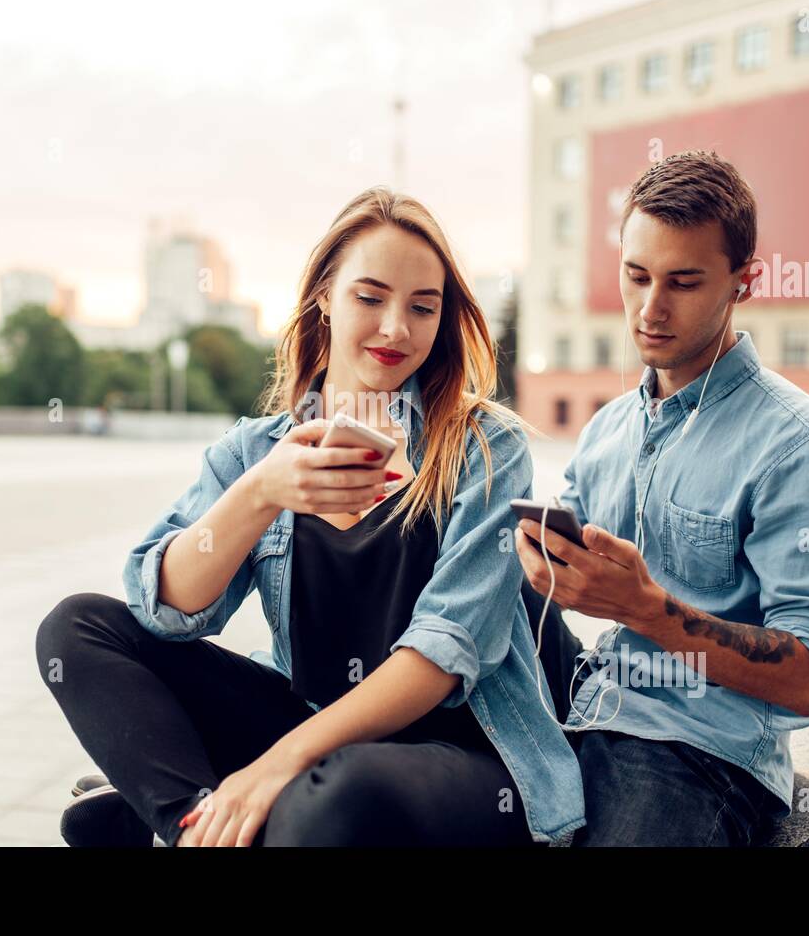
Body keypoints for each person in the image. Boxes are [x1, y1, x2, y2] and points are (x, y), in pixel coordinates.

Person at [36, 187, 588, 847]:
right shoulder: (256, 451)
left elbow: (445, 654)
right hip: (312, 729)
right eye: (370, 296)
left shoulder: (483, 448)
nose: (395, 328)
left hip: (463, 756)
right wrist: (261, 492)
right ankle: (191, 822)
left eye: (423, 306)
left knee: (331, 797)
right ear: (325, 293)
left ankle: (167, 804)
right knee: (77, 627)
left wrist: (274, 764)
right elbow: (166, 607)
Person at [516, 150, 809, 846]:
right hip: (590, 704)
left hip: (700, 754)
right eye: (636, 276)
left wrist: (644, 608)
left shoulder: (805, 447)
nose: (650, 309)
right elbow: (568, 561)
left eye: (683, 282)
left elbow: (808, 678)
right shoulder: (610, 427)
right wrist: (541, 558)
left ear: (746, 281)